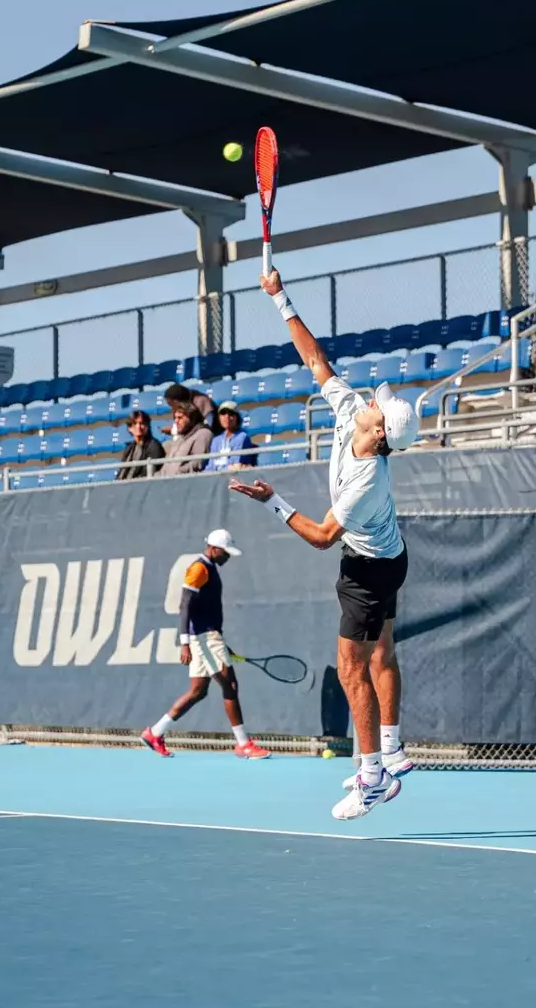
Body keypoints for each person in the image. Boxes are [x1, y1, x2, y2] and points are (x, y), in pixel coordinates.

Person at [230, 268, 421, 821]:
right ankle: (393, 752)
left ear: (379, 431)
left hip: (367, 570)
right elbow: (316, 360)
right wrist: (280, 298)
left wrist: (272, 501)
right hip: (392, 557)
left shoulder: (366, 484)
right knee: (382, 653)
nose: (371, 400)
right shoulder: (350, 410)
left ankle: (372, 780)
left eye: (378, 407)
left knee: (350, 669)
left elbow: (319, 537)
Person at [139, 528, 271, 760]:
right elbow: (185, 604)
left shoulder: (209, 568)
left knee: (198, 691)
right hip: (204, 637)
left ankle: (155, 732)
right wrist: (185, 642)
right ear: (213, 548)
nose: (228, 557)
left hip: (208, 637)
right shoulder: (199, 568)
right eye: (225, 552)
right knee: (230, 685)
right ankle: (243, 744)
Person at [161, 400, 213, 475]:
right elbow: (166, 464)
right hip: (166, 482)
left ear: (191, 418)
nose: (176, 421)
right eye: (175, 418)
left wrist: (178, 472)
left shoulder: (203, 434)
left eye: (180, 418)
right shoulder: (180, 438)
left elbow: (198, 463)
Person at [205, 401, 257, 471]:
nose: (227, 417)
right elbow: (211, 466)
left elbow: (235, 466)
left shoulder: (242, 437)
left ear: (237, 417)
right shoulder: (216, 440)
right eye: (223, 413)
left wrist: (219, 469)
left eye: (231, 413)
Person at [114, 410, 165, 480]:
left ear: (147, 426)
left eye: (142, 423)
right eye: (134, 423)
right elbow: (121, 471)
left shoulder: (154, 446)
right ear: (129, 428)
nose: (138, 427)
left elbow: (147, 474)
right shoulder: (129, 448)